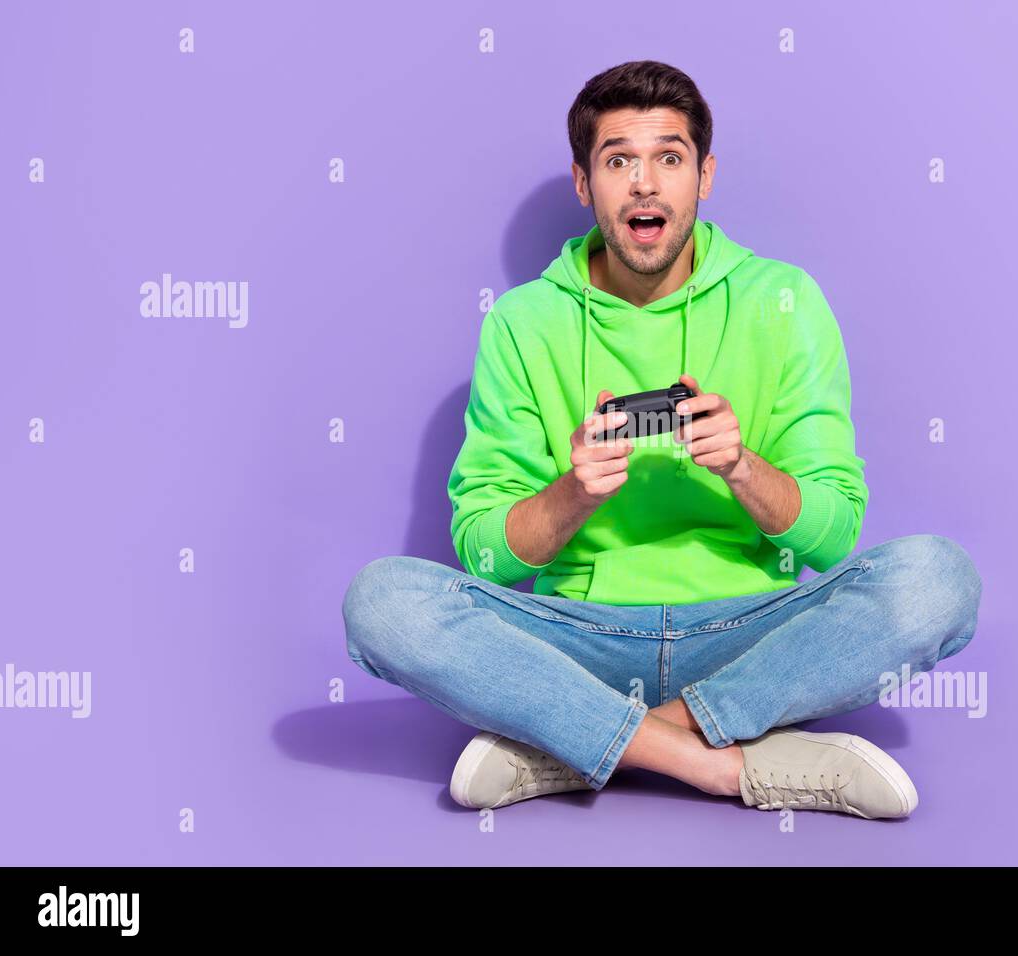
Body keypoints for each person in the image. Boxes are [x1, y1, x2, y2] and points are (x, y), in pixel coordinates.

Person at [342, 60, 981, 819]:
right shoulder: (521, 322)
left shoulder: (784, 300)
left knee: (939, 580)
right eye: (619, 161)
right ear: (584, 183)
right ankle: (720, 765)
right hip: (579, 639)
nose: (645, 183)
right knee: (380, 601)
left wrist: (745, 469)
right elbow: (482, 551)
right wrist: (573, 493)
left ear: (704, 176)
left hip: (747, 632)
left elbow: (834, 536)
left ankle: (575, 745)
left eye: (669, 158)